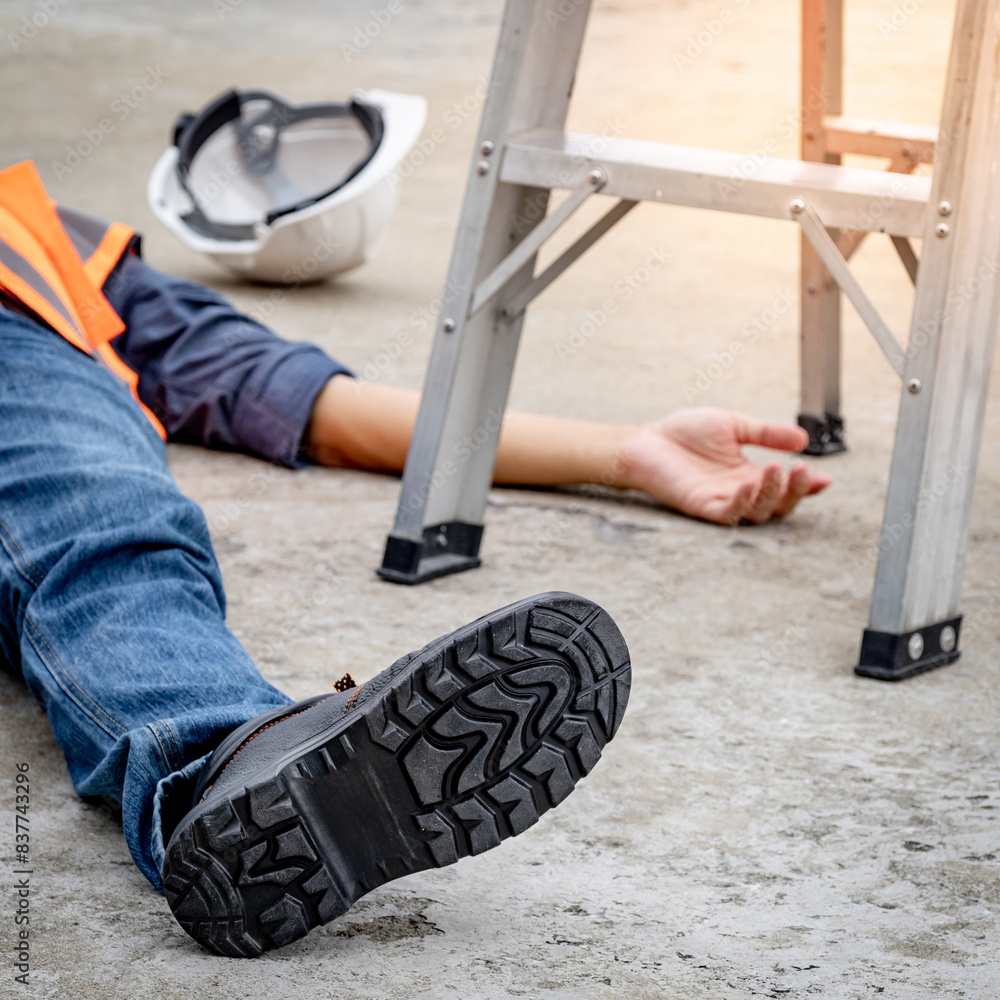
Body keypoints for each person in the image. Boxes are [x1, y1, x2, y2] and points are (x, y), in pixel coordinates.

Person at [0, 161, 828, 957]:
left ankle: (233, 775)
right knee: (102, 526)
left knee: (92, 540)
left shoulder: (46, 243)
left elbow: (283, 393)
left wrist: (625, 452)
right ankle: (218, 757)